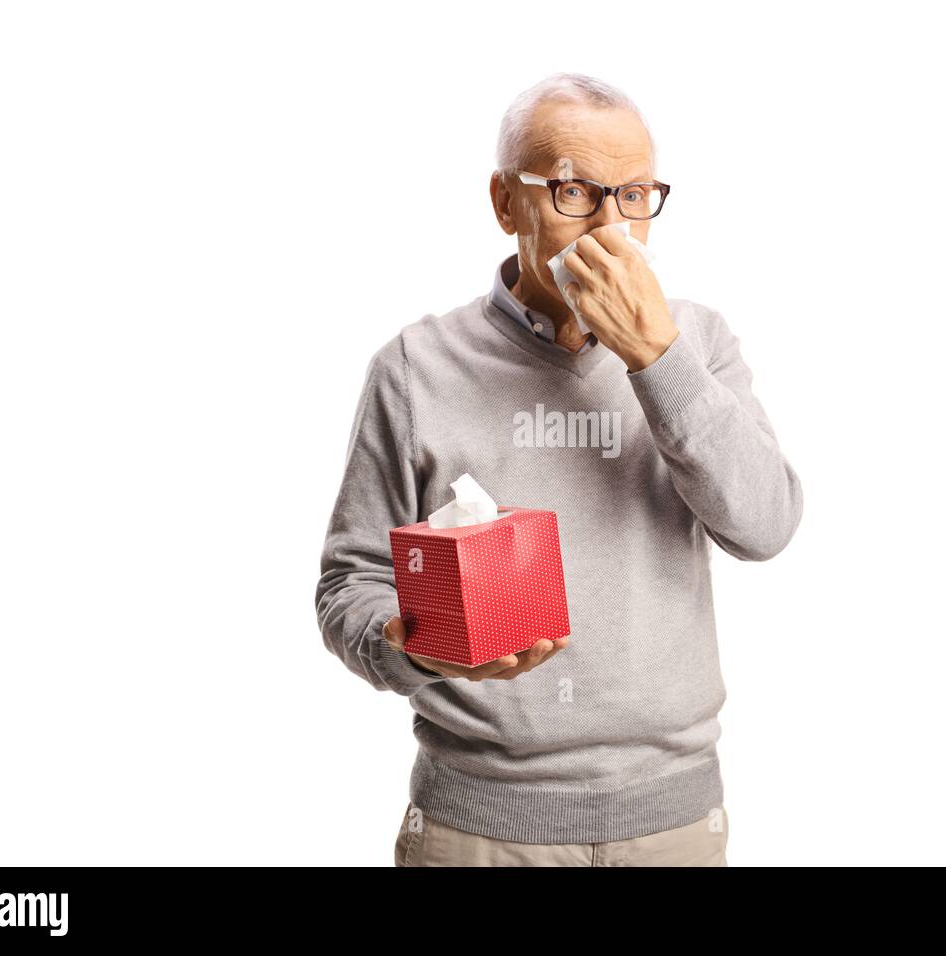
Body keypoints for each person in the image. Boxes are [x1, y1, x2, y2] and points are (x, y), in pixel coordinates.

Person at [315, 72, 803, 866]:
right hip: (477, 824)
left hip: (674, 818)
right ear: (507, 203)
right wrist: (410, 643)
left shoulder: (698, 342)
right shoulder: (416, 367)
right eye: (575, 191)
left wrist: (657, 358)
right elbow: (349, 584)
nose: (612, 226)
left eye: (637, 194)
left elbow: (766, 525)